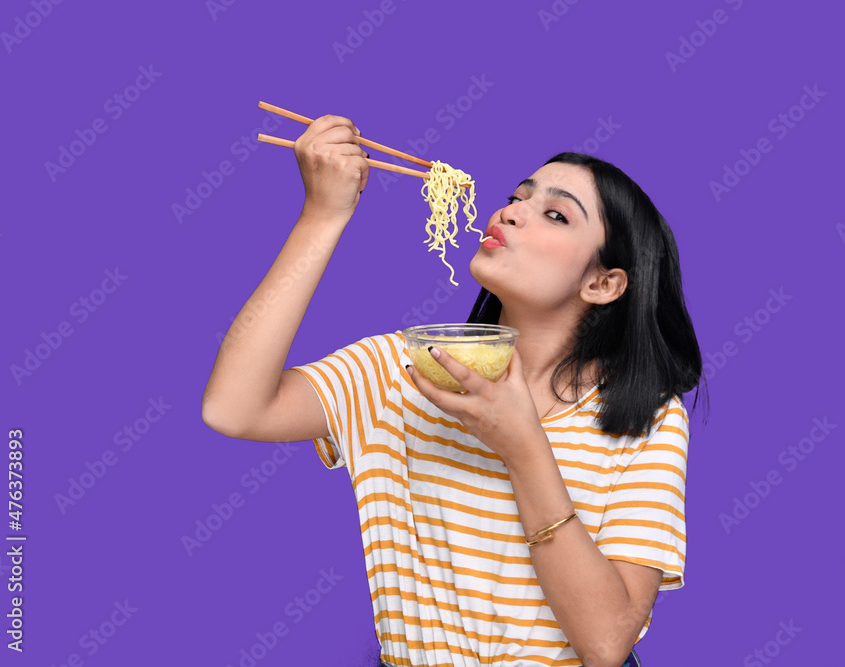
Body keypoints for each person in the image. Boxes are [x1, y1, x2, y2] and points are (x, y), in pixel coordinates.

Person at [202, 114, 707, 667]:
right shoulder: (402, 369)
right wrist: (323, 215)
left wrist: (521, 444)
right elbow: (234, 409)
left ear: (602, 283)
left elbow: (607, 644)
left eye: (555, 214)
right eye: (517, 197)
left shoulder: (648, 418)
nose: (510, 211)